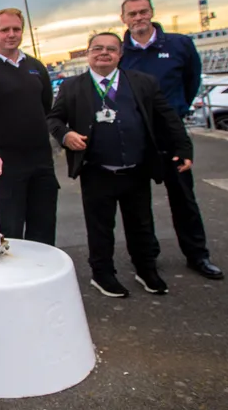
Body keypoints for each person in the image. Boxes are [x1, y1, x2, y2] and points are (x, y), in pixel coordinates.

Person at [47, 32, 193, 298]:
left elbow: (168, 117)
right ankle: (102, 275)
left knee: (141, 224)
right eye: (98, 48)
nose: (104, 53)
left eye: (111, 49)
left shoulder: (143, 83)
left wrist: (183, 148)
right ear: (88, 53)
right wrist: (66, 135)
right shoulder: (72, 87)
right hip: (96, 171)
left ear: (120, 54)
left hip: (137, 169)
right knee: (100, 227)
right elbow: (54, 119)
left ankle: (146, 269)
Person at [118, 0, 223, 280]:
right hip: (137, 136)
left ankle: (198, 255)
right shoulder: (120, 53)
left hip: (171, 133)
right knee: (137, 203)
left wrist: (176, 112)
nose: (138, 18)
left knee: (184, 198)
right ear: (123, 19)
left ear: (151, 13)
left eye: (143, 12)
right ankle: (146, 257)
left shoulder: (179, 45)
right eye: (132, 14)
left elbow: (192, 81)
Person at [0, 8, 59, 245]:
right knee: (10, 230)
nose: (11, 34)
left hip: (41, 163)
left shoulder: (36, 67)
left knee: (43, 228)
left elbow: (46, 107)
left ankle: (41, 276)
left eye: (16, 29)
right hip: (7, 167)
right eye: (4, 30)